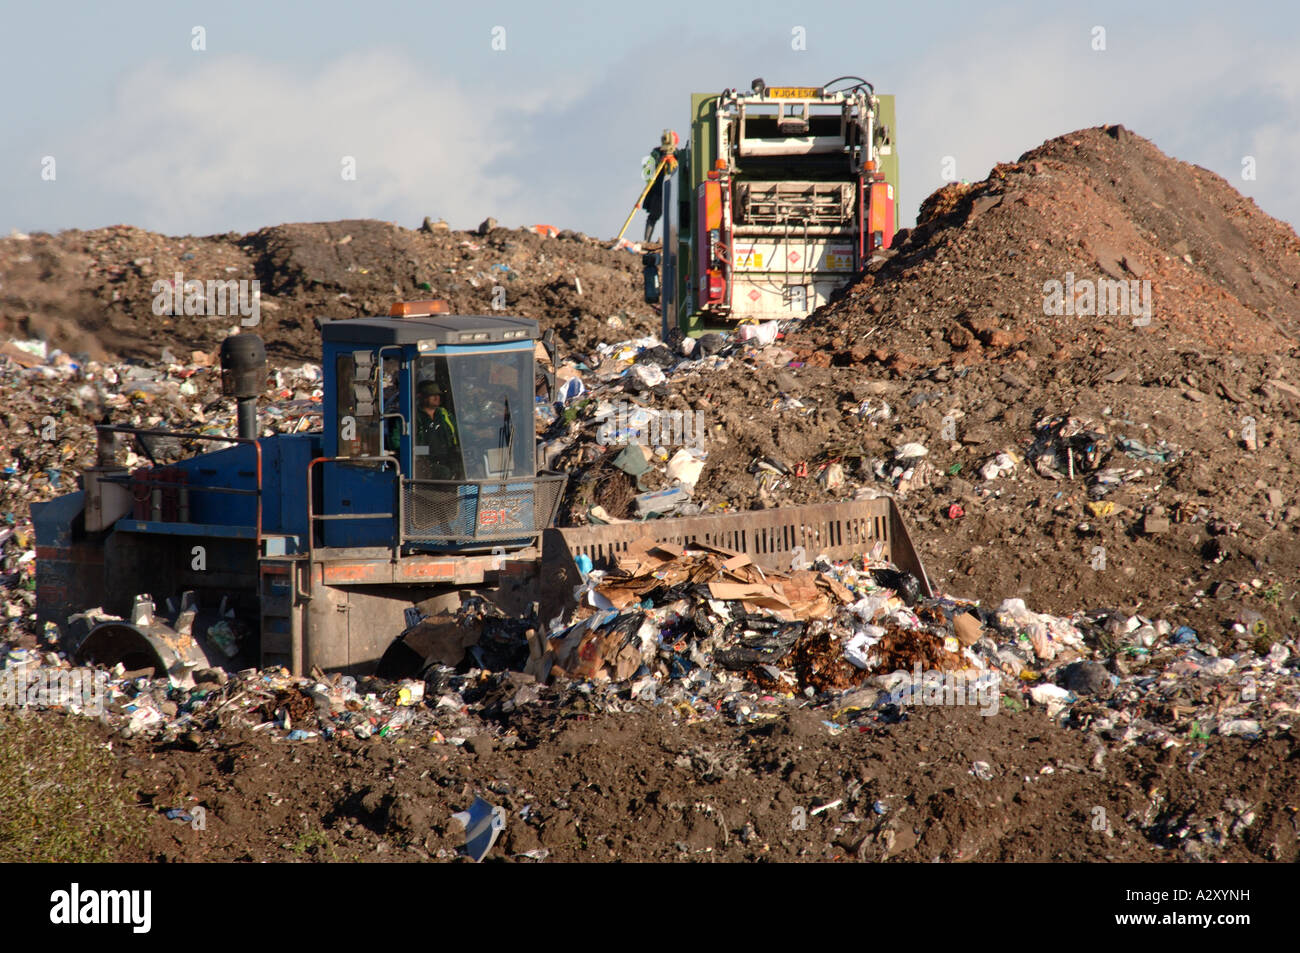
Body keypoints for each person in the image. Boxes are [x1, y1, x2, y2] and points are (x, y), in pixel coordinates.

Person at [416, 380, 462, 480]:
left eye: (438, 394)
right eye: (432, 395)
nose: (437, 398)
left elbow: (460, 433)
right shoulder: (414, 417)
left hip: (448, 457)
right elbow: (401, 445)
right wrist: (425, 453)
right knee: (444, 473)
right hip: (425, 461)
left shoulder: (444, 415)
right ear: (421, 396)